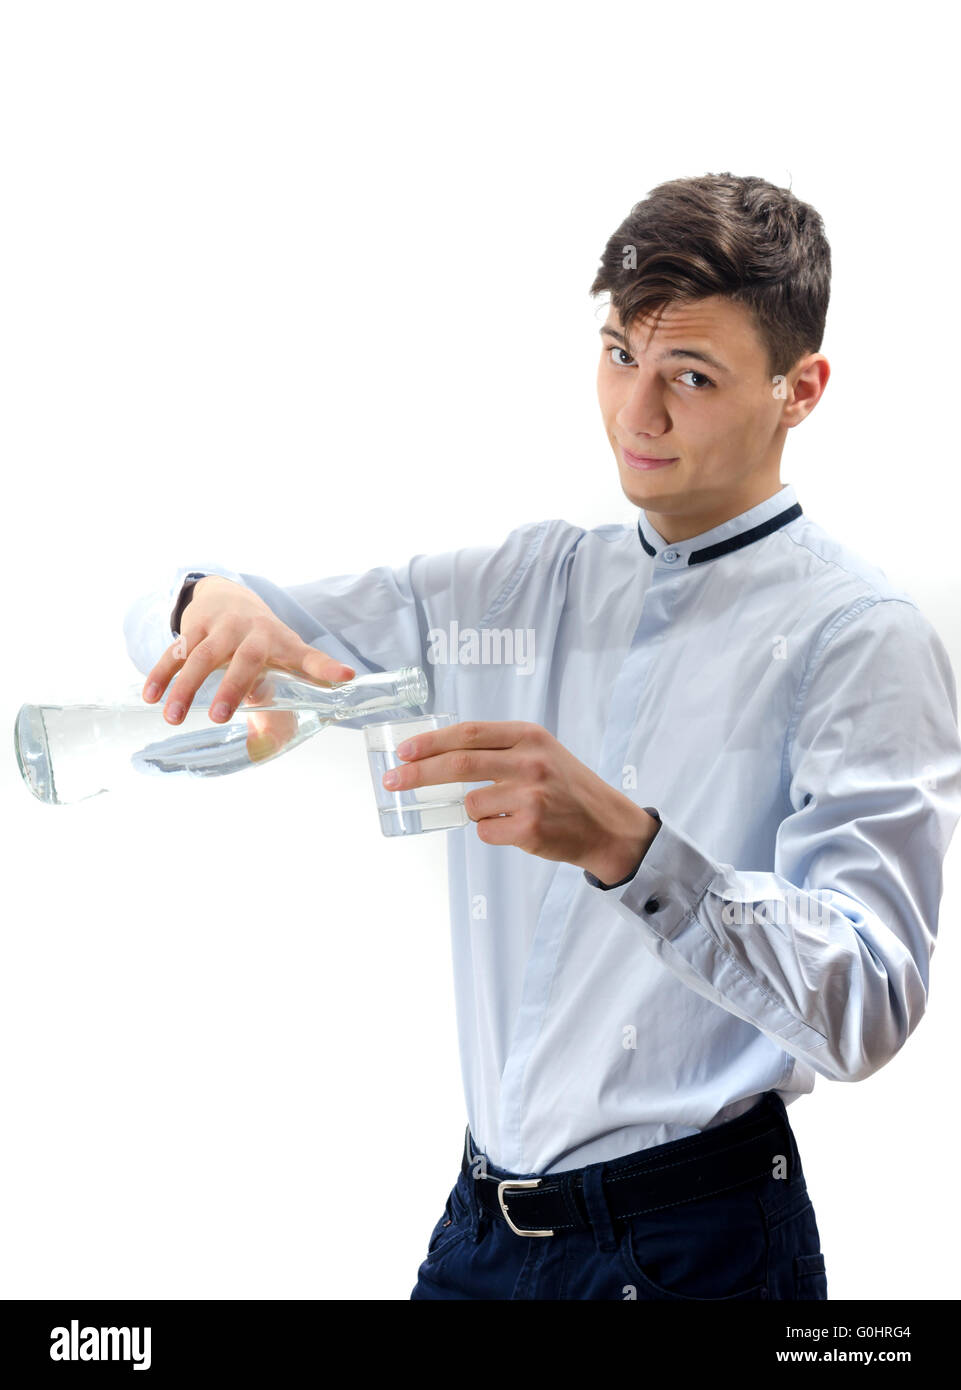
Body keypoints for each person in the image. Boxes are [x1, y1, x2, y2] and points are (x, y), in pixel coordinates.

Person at [124, 172, 961, 1301]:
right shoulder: (525, 582)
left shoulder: (862, 641)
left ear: (798, 389)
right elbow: (222, 615)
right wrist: (199, 603)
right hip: (479, 1231)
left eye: (689, 377)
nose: (635, 413)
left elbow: (867, 1002)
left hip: (691, 1250)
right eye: (619, 353)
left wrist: (637, 851)